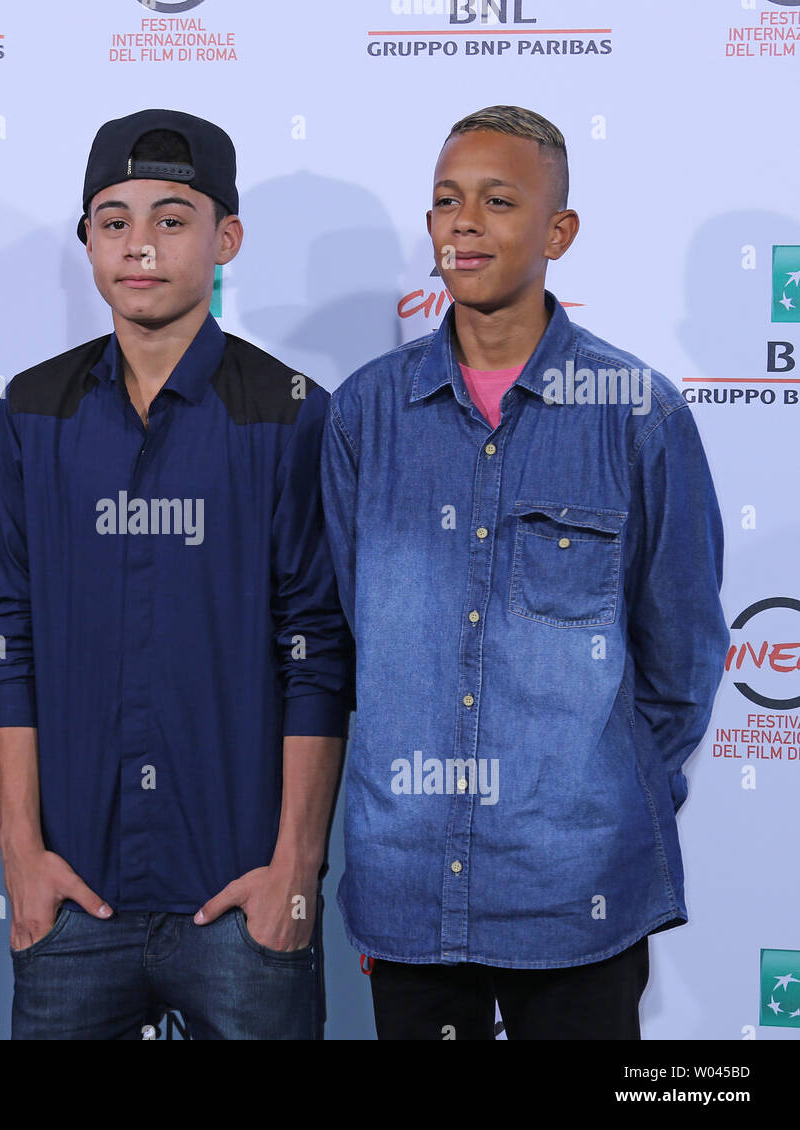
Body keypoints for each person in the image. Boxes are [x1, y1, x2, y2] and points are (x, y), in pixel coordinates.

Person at [322, 105, 729, 1039]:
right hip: (410, 888)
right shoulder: (364, 417)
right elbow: (357, 633)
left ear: (559, 232)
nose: (463, 223)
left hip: (578, 888)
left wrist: (592, 799)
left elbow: (683, 658)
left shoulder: (637, 414)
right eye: (444, 202)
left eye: (498, 201)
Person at [0, 108, 353, 1040]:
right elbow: (8, 643)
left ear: (225, 237)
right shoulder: (32, 412)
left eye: (171, 218)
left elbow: (320, 656)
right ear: (88, 242)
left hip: (241, 900)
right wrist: (21, 857)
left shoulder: (295, 414)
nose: (139, 246)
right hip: (71, 902)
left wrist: (294, 871)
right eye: (113, 221)